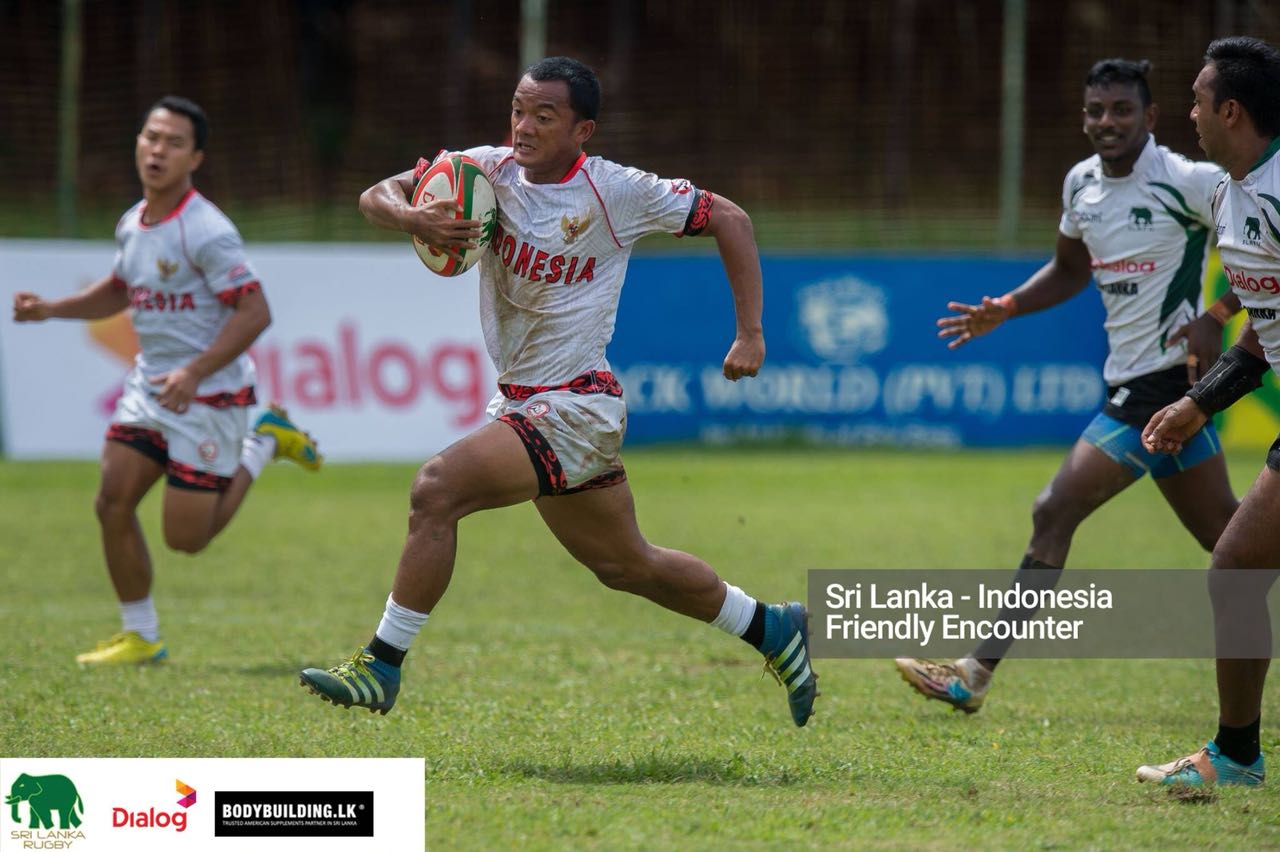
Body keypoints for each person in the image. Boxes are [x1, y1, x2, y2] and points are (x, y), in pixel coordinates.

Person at [298, 57, 818, 726]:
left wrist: (750, 333)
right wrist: (413, 220)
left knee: (436, 489)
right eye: (518, 109)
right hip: (526, 403)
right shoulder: (484, 170)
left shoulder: (617, 191)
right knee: (628, 566)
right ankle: (773, 628)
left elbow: (731, 219)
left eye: (545, 116)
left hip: (575, 404)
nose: (524, 126)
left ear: (583, 131)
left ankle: (380, 665)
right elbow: (377, 193)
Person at [894, 59, 1241, 713]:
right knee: (1232, 544)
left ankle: (971, 675)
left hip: (1161, 386)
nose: (1106, 123)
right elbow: (1067, 268)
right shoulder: (1081, 183)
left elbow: (1261, 242)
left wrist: (1216, 316)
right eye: (1095, 111)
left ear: (1151, 118)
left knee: (1054, 509)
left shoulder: (1189, 182)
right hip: (1145, 385)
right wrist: (1008, 308)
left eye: (1121, 111)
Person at [12, 95, 322, 666]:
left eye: (173, 142)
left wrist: (195, 371)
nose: (158, 150)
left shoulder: (207, 231)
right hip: (151, 392)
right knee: (111, 501)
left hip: (211, 398)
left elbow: (255, 312)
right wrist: (50, 309)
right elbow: (119, 289)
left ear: (195, 157)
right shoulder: (133, 221)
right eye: (151, 137)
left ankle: (264, 439)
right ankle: (141, 635)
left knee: (188, 540)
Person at [1138, 36, 1280, 787]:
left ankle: (1236, 755)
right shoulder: (1230, 191)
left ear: (1230, 109)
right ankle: (1238, 755)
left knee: (1235, 565)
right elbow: (1266, 322)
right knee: (1237, 566)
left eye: (1196, 99)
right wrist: (1199, 402)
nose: (1188, 113)